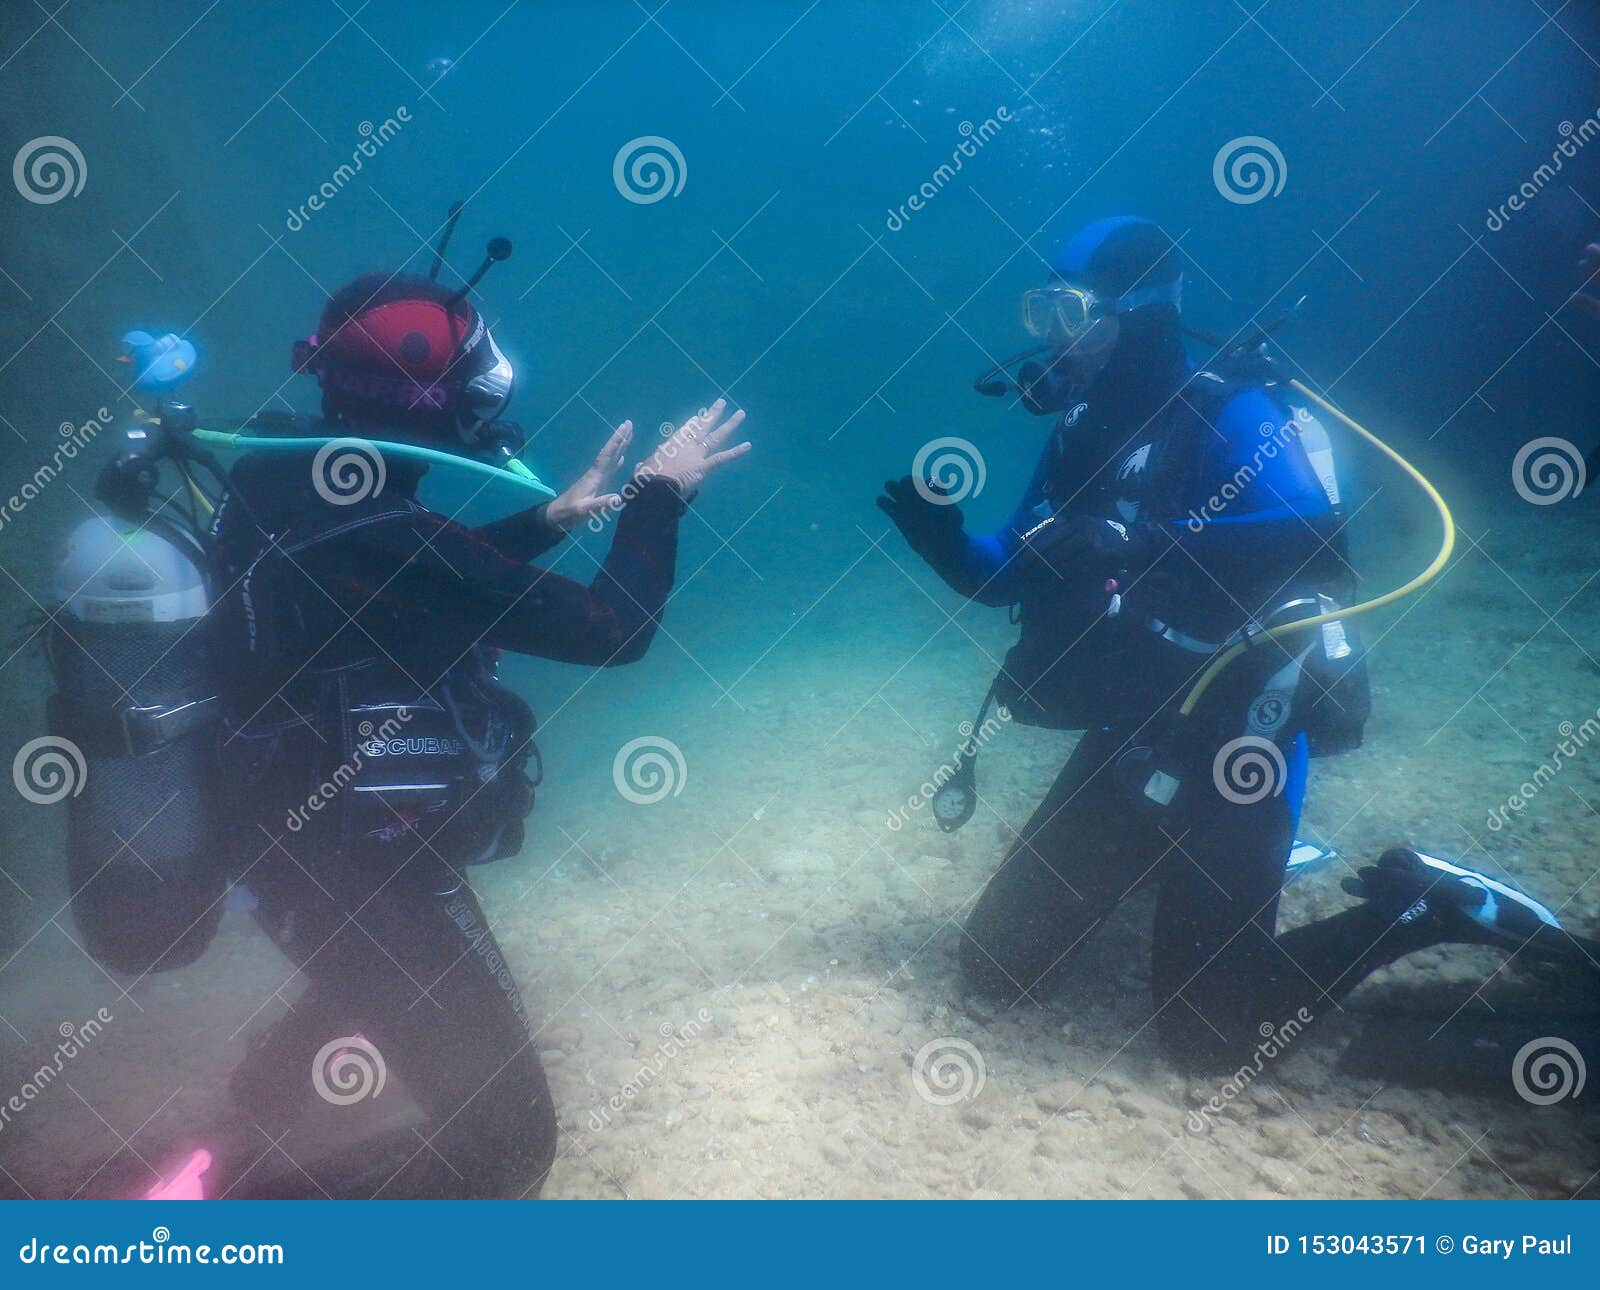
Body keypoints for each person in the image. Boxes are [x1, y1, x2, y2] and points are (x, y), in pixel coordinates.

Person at [64, 253, 749, 1198]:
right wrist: (662, 499)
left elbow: (391, 590)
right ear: (437, 404)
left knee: (366, 969)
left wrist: (546, 520)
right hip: (367, 876)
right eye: (472, 385)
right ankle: (179, 1227)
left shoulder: (282, 477)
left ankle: (253, 1116)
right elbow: (611, 629)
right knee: (508, 1152)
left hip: (282, 849)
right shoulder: (386, 535)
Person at [879, 215, 1590, 1075]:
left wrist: (1144, 542)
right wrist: (945, 544)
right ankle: (1171, 861)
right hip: (1136, 729)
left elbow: (1317, 535)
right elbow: (1009, 570)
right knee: (996, 964)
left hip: (1239, 739)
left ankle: (1422, 907)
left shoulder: (1234, 411)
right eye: (1043, 316)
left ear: (1137, 315)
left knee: (1211, 1039)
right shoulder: (1078, 435)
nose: (1054, 341)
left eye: (1069, 313)